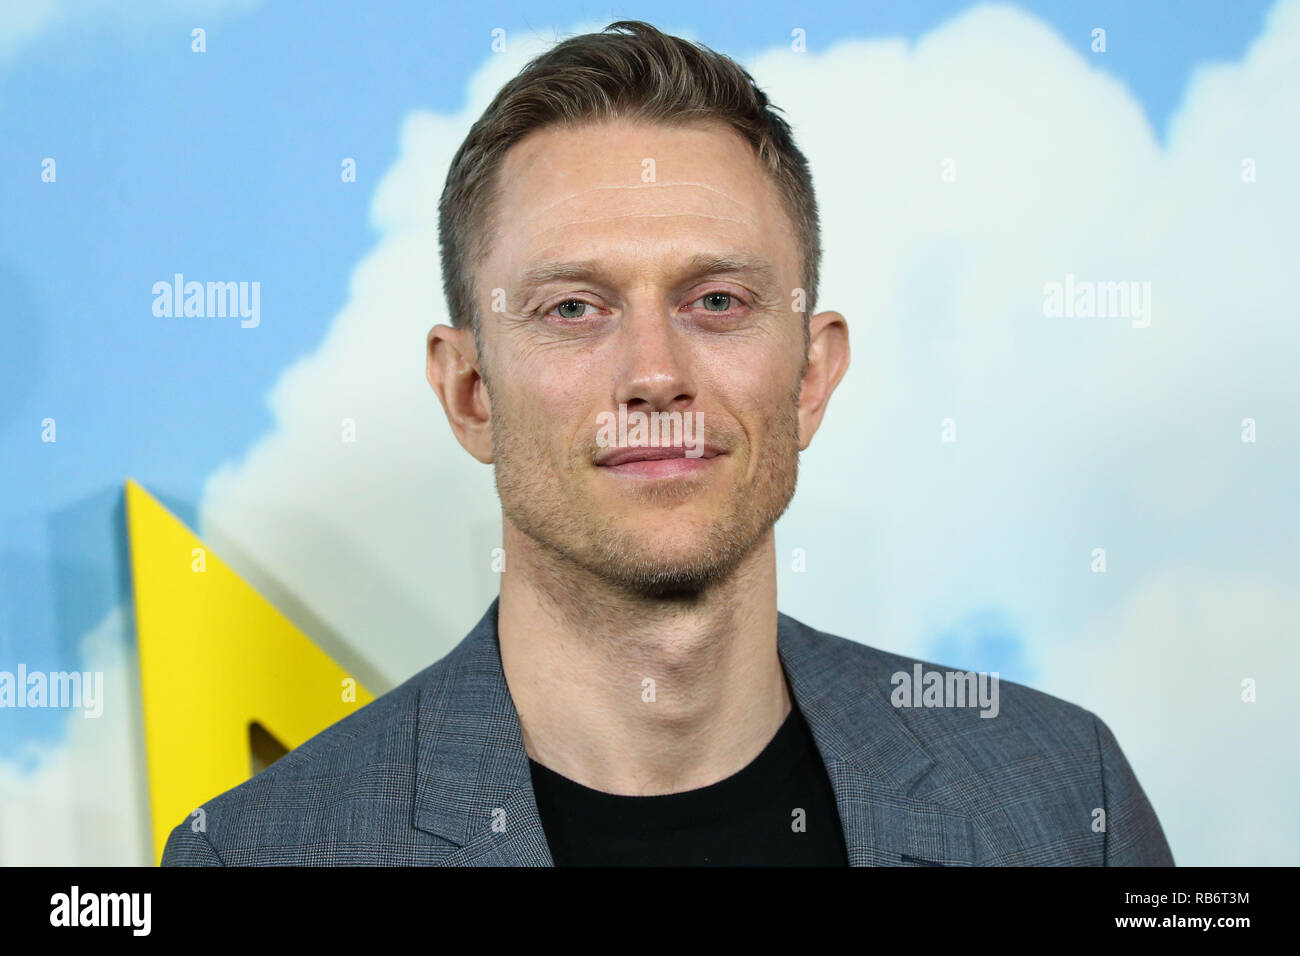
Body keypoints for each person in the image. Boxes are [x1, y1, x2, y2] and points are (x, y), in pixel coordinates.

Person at [162, 19, 1173, 866]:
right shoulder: (255, 855)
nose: (655, 372)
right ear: (470, 391)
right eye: (572, 306)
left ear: (812, 373)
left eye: (717, 299)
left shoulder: (1057, 800)